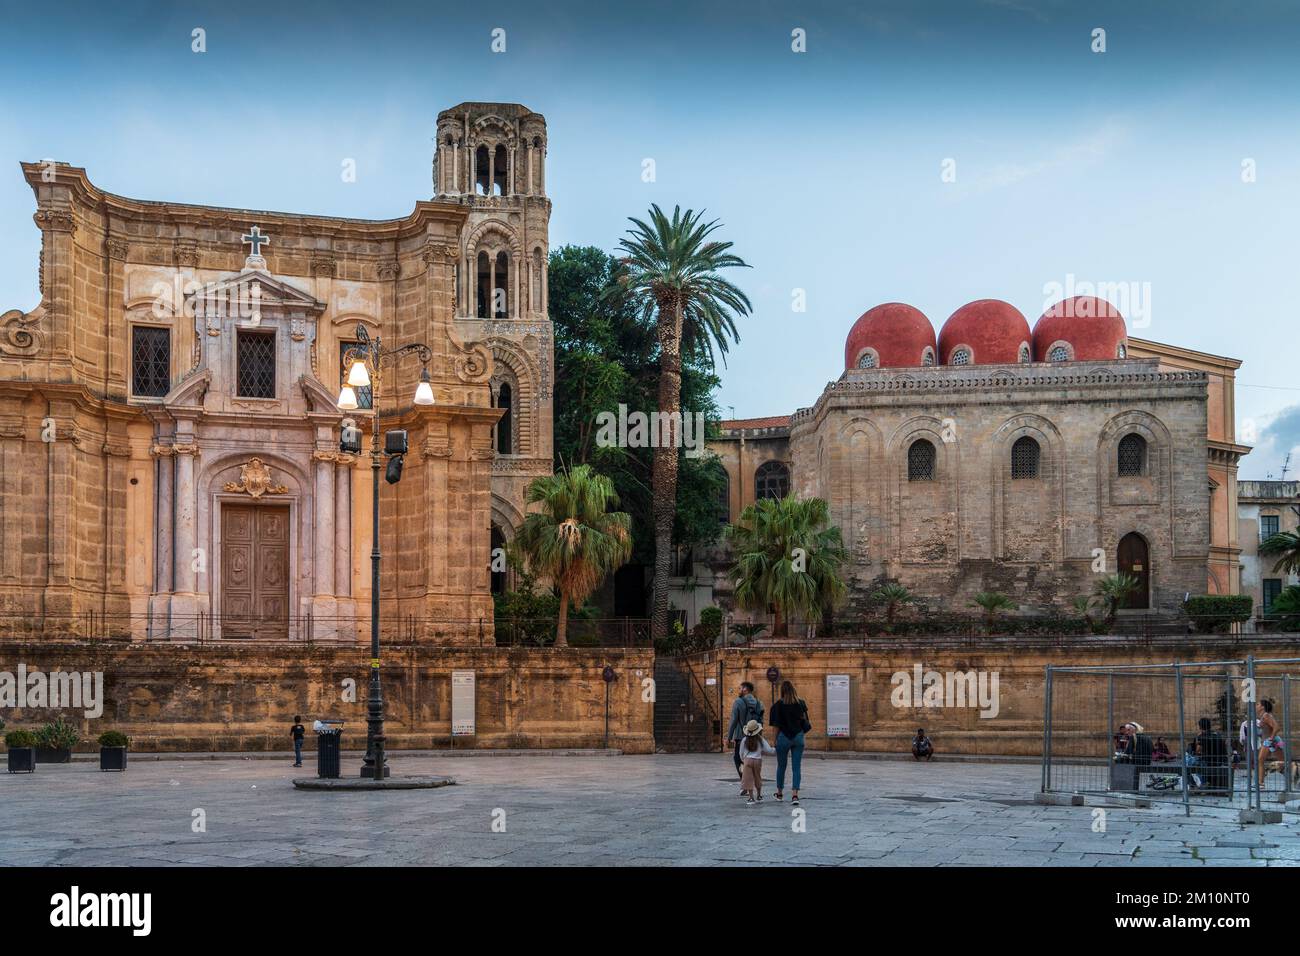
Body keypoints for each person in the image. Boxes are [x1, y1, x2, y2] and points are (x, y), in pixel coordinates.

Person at [769, 680, 810, 806]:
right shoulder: (801, 703)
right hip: (798, 736)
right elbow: (805, 720)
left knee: (781, 766)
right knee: (796, 767)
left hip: (783, 737)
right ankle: (795, 795)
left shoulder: (778, 705)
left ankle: (780, 793)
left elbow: (776, 725)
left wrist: (774, 739)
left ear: (782, 691)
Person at [726, 682, 764, 792]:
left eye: (740, 688)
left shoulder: (738, 702)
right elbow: (761, 722)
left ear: (745, 689)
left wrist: (729, 737)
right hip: (755, 736)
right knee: (751, 759)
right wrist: (759, 736)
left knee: (738, 759)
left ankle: (746, 783)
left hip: (741, 736)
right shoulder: (759, 703)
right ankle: (750, 784)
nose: (739, 690)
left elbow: (733, 721)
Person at [738, 720, 775, 805]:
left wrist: (743, 760)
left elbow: (741, 752)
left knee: (748, 779)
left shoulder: (744, 740)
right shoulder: (760, 739)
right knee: (757, 777)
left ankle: (751, 798)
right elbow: (769, 750)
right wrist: (776, 749)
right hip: (758, 760)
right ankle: (759, 796)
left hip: (747, 760)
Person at [1257, 699, 1283, 789]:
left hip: (1271, 741)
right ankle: (1260, 783)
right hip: (1269, 741)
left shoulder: (1266, 715)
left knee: (1282, 763)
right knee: (1282, 763)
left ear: (1262, 707)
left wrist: (1271, 738)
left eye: (1258, 704)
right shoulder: (1263, 716)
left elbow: (1277, 727)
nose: (1256, 706)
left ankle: (1261, 783)